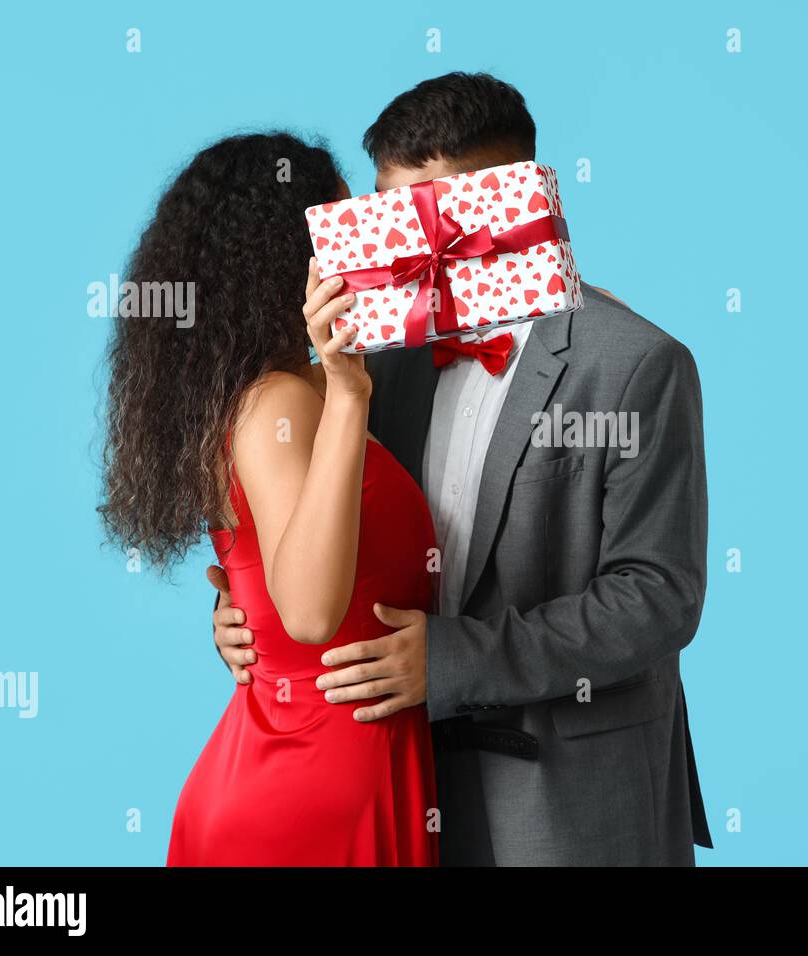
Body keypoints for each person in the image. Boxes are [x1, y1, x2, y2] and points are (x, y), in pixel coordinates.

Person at [211, 73, 713, 865]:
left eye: (426, 211)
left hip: (569, 797)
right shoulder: (374, 365)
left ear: (506, 202)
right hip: (401, 782)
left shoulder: (636, 365)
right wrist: (248, 617)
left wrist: (452, 659)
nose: (400, 242)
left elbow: (657, 597)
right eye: (384, 209)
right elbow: (338, 535)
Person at [101, 132, 438, 866]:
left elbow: (270, 565)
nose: (360, 253)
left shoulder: (276, 390)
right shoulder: (280, 403)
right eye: (340, 232)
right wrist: (349, 392)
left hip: (305, 761)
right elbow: (312, 613)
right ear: (287, 254)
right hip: (315, 787)